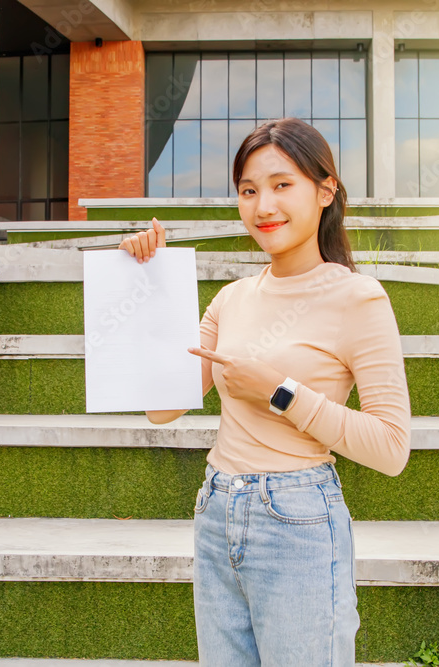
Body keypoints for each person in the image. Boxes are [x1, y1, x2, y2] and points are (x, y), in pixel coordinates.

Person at [120, 118, 412, 666]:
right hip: (216, 509)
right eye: (249, 191)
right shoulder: (230, 299)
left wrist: (280, 392)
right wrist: (147, 280)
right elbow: (162, 408)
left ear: (325, 192)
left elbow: (391, 447)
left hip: (298, 519)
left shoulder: (359, 298)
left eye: (282, 185)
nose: (263, 206)